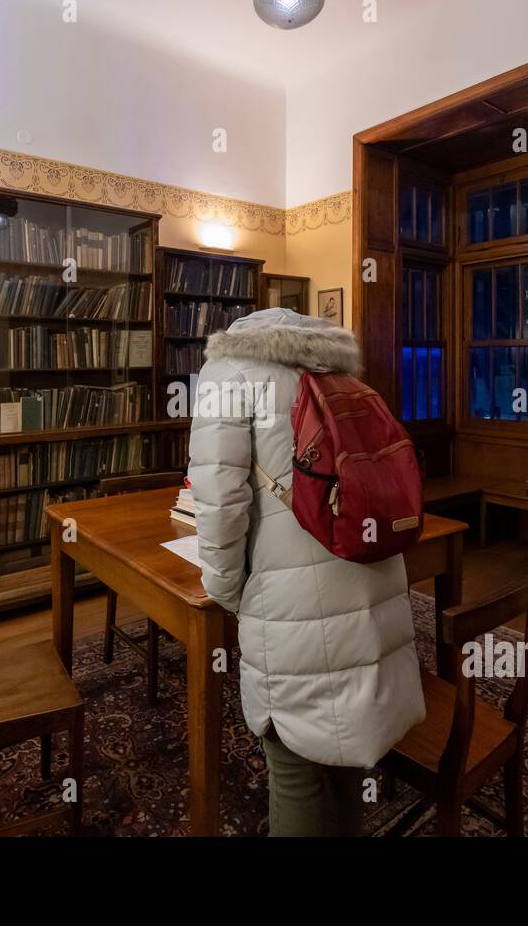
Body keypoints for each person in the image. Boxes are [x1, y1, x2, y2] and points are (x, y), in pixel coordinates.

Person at [187, 308, 424, 837]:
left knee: (292, 764)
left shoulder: (228, 373)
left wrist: (227, 590)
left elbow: (219, 503)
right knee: (346, 752)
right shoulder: (340, 372)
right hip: (371, 575)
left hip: (287, 594)